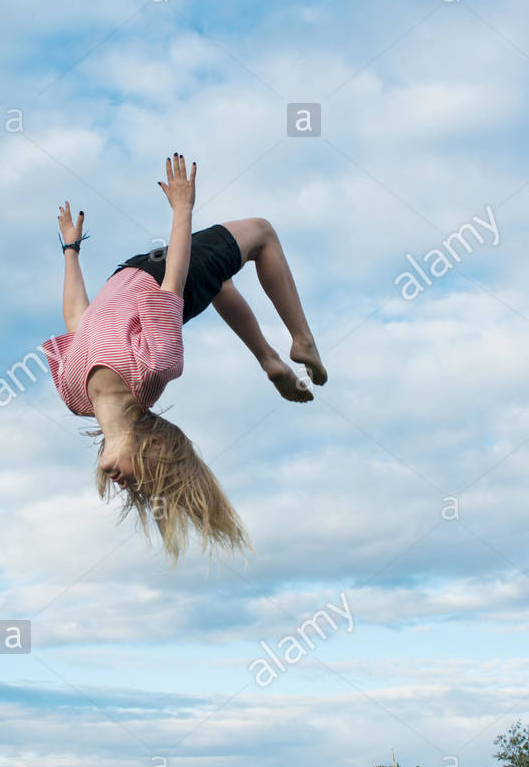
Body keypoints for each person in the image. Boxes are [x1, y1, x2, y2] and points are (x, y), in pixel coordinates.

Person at [42, 154, 327, 562]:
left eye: (137, 488)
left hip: (132, 272)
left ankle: (269, 359)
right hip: (163, 278)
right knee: (261, 233)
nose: (127, 486)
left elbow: (76, 318)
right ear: (156, 444)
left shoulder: (75, 396)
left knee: (218, 279)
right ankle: (302, 342)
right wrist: (183, 209)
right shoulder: (152, 370)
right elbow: (174, 282)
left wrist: (70, 249)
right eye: (145, 479)